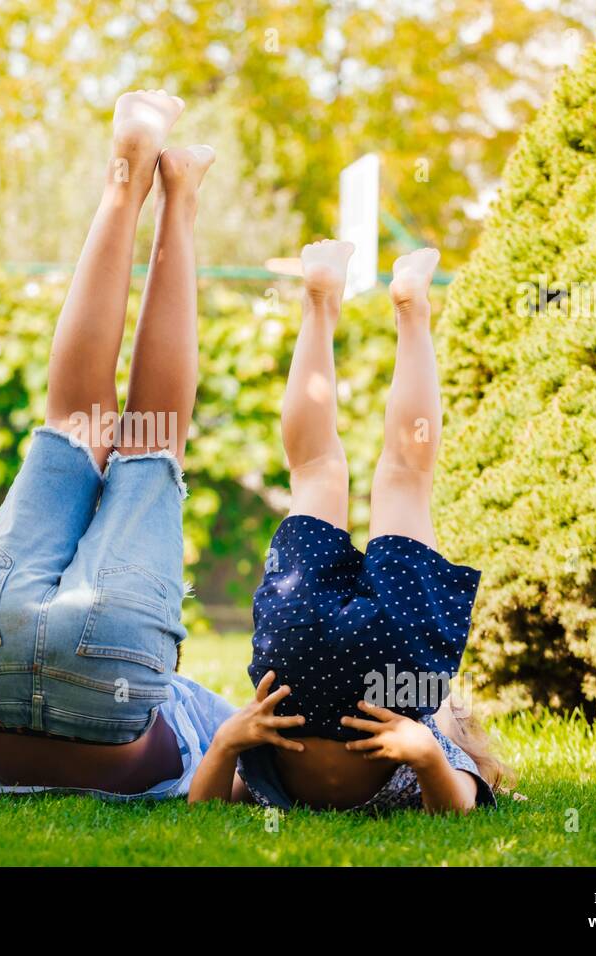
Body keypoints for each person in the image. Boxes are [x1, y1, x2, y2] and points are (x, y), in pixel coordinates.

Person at [0, 90, 235, 798]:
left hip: (113, 666)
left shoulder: (200, 717)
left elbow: (255, 754)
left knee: (153, 437)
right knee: (74, 421)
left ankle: (176, 194)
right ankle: (129, 180)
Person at [188, 239, 506, 812]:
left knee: (400, 477)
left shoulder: (416, 722)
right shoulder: (424, 747)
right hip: (305, 652)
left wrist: (227, 742)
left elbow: (201, 810)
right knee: (316, 472)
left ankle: (400, 310)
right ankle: (326, 302)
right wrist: (428, 753)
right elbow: (456, 812)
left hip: (362, 662)